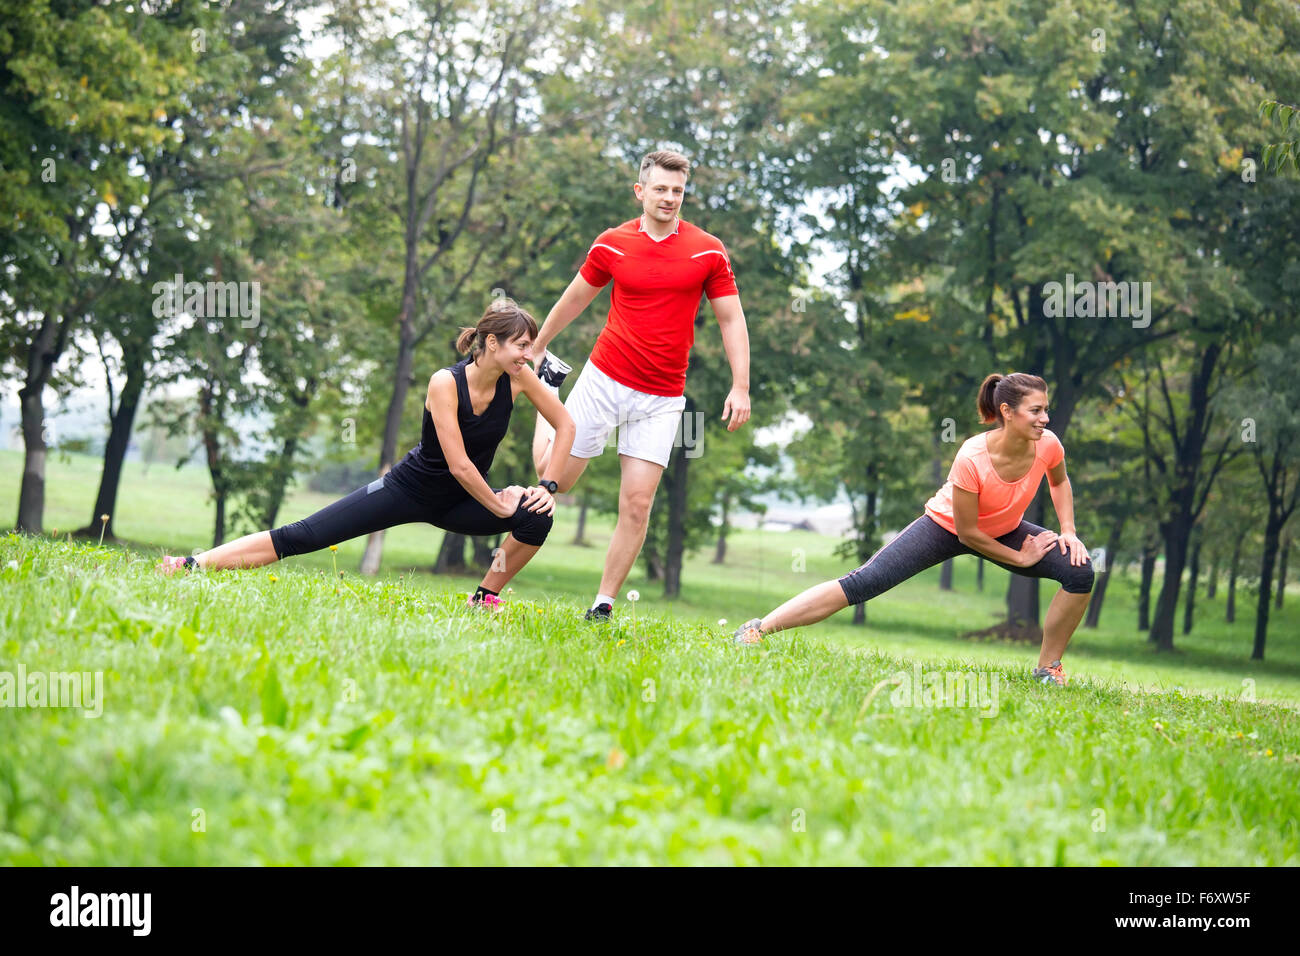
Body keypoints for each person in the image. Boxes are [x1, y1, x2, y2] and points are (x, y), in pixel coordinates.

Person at [158, 299, 576, 607]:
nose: (527, 354)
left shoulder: (519, 378)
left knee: (537, 515)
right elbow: (460, 465)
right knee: (302, 536)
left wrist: (547, 487)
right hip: (408, 490)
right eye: (521, 345)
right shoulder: (444, 383)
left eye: (529, 346)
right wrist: (499, 506)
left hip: (462, 502)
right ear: (491, 342)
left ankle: (483, 599)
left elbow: (566, 425)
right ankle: (192, 565)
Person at [731, 373, 1094, 686]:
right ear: (1006, 412)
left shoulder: (1047, 445)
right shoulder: (972, 456)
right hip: (945, 527)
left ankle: (1048, 669)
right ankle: (757, 629)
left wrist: (1069, 531)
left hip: (1004, 529)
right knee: (863, 582)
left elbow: (1059, 483)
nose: (1044, 418)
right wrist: (1020, 557)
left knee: (1079, 572)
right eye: (1036, 410)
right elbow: (967, 533)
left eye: (1045, 409)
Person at [528, 149, 753, 621]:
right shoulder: (612, 244)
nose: (670, 198)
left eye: (678, 190)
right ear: (640, 191)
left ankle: (603, 603)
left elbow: (731, 318)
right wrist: (540, 343)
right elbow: (576, 297)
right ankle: (544, 397)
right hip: (604, 378)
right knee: (557, 482)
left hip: (662, 396)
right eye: (661, 189)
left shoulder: (707, 249)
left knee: (637, 502)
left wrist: (740, 385)